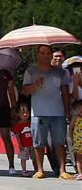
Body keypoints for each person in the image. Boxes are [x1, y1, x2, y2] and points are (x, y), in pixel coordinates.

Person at [23, 45, 73, 179]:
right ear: (38, 54)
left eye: (48, 53)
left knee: (59, 142)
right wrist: (35, 85)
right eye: (42, 53)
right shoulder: (31, 71)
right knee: (39, 142)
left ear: (51, 55)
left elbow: (65, 92)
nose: (45, 55)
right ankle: (40, 170)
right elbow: (25, 91)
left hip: (58, 112)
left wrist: (67, 110)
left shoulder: (61, 72)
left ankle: (62, 170)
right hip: (38, 112)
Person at [12, 103, 34, 177]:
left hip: (32, 144)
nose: (25, 114)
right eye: (22, 113)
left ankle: (36, 169)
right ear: (18, 114)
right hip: (24, 145)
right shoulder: (18, 125)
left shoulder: (31, 123)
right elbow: (17, 136)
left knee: (34, 157)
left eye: (27, 113)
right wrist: (20, 145)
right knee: (23, 158)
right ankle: (24, 170)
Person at [69, 100, 82, 179]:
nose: (81, 110)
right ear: (75, 110)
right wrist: (71, 138)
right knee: (79, 159)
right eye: (78, 108)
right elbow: (71, 128)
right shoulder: (75, 117)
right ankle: (80, 173)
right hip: (78, 141)